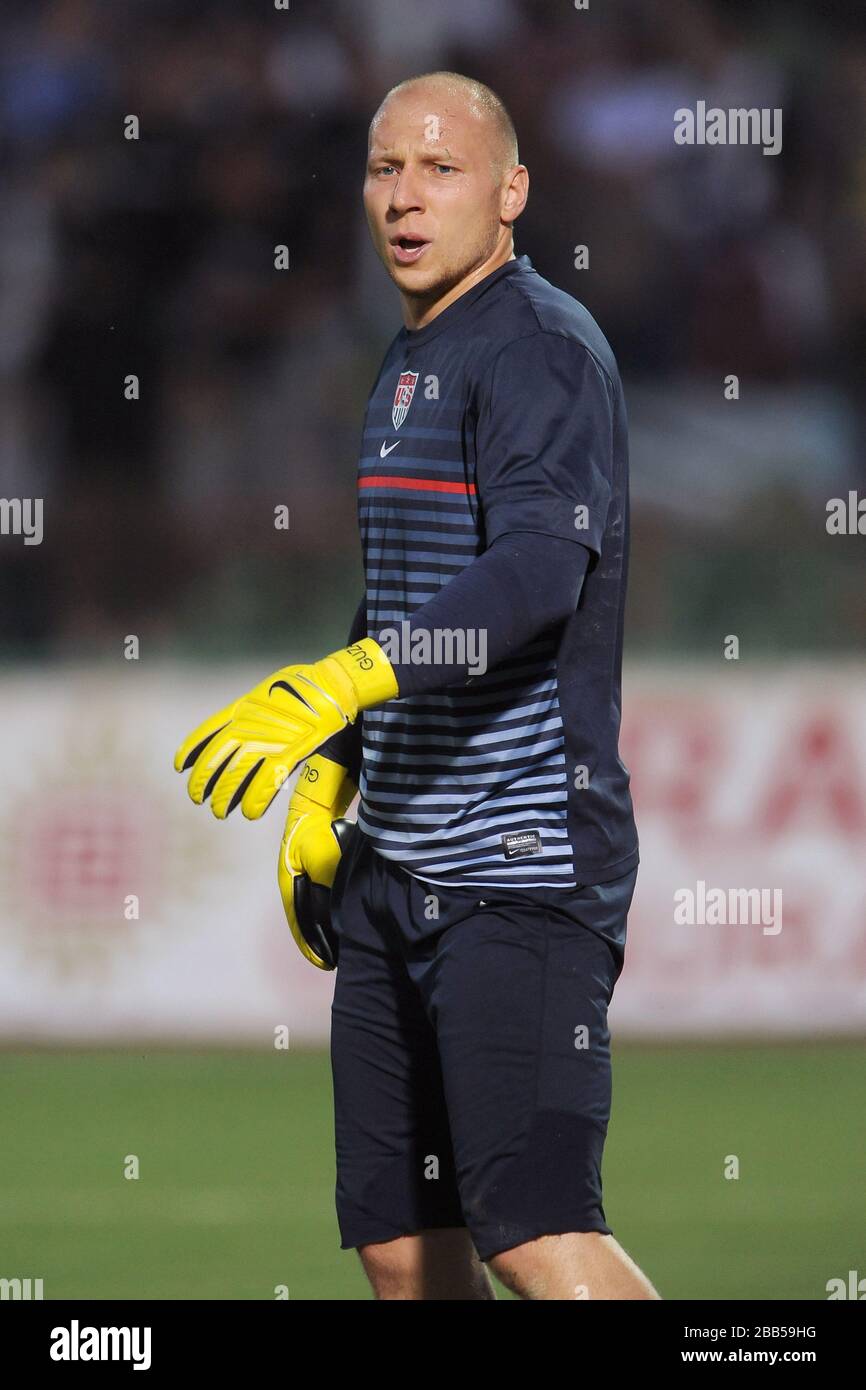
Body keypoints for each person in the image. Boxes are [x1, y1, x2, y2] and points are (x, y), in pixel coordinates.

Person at [175, 70, 659, 1301]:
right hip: (396, 866)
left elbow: (537, 573)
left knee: (534, 1234)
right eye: (386, 167)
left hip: (519, 866)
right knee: (399, 1246)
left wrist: (342, 683)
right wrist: (331, 778)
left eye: (440, 168)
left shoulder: (539, 346)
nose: (404, 194)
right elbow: (405, 591)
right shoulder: (411, 353)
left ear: (510, 193)